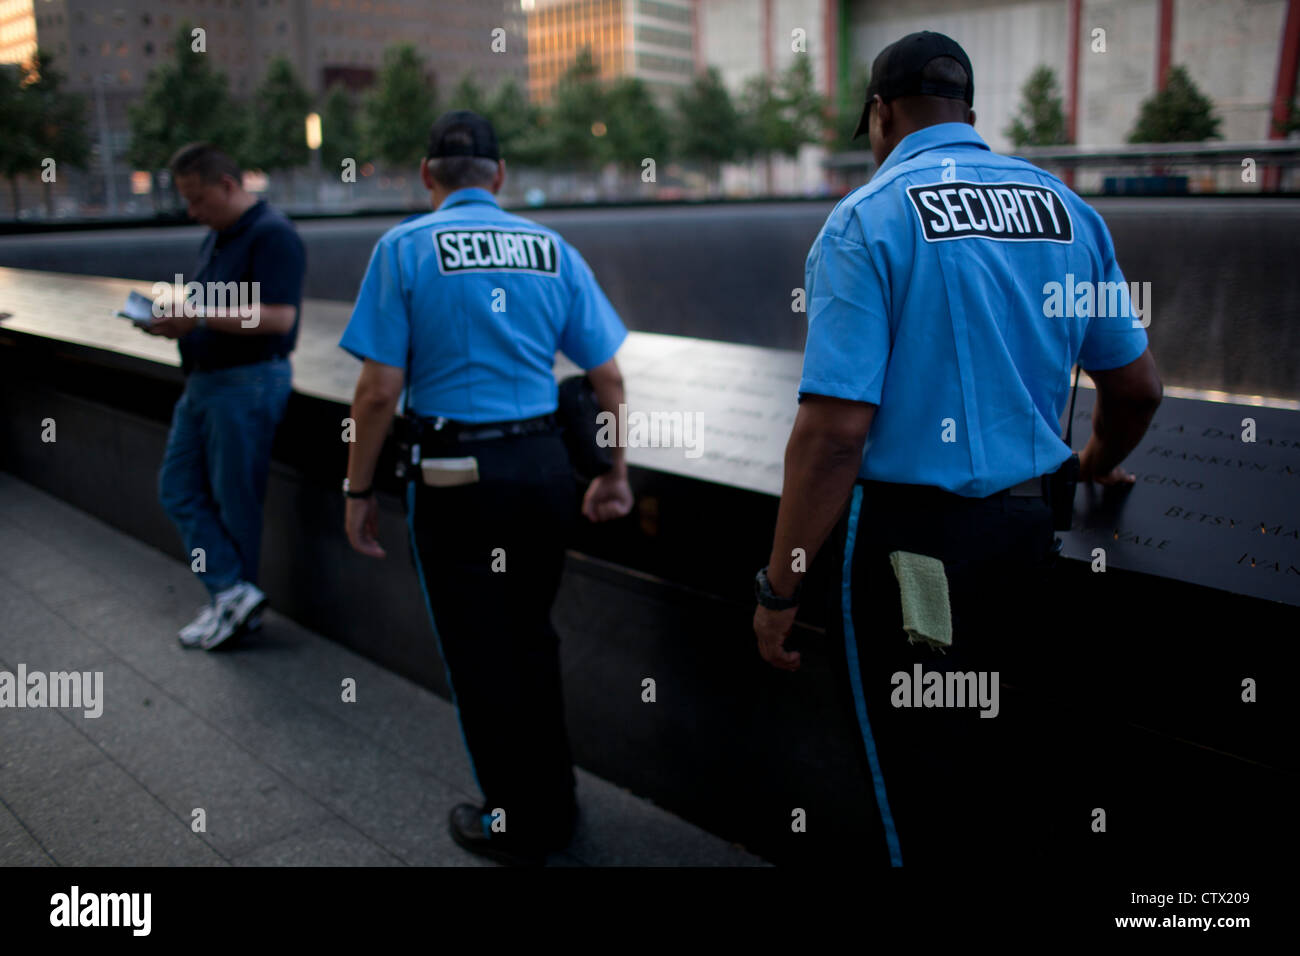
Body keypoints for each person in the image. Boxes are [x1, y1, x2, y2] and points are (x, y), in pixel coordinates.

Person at [751, 32, 1162, 866]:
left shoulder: (864, 220)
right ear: (971, 115)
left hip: (913, 554)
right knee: (1009, 773)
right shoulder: (1066, 210)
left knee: (921, 786)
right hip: (1027, 543)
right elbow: (1137, 389)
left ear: (879, 116)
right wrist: (1085, 462)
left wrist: (780, 583)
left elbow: (834, 437)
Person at [339, 110, 633, 866]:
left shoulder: (404, 247)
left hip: (455, 478)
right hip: (542, 473)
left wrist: (358, 488)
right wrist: (614, 471)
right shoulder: (551, 248)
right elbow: (607, 376)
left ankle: (516, 822)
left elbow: (377, 392)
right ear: (500, 177)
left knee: (480, 655)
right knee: (531, 638)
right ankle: (555, 802)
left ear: (428, 176)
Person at [149, 143, 305, 651]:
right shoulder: (219, 236)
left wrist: (197, 318)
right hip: (206, 382)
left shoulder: (273, 235)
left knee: (235, 501)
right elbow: (213, 304)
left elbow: (280, 316)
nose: (194, 212)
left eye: (199, 200)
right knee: (177, 486)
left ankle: (233, 605)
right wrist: (177, 319)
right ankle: (231, 593)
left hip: (246, 382)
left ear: (229, 185)